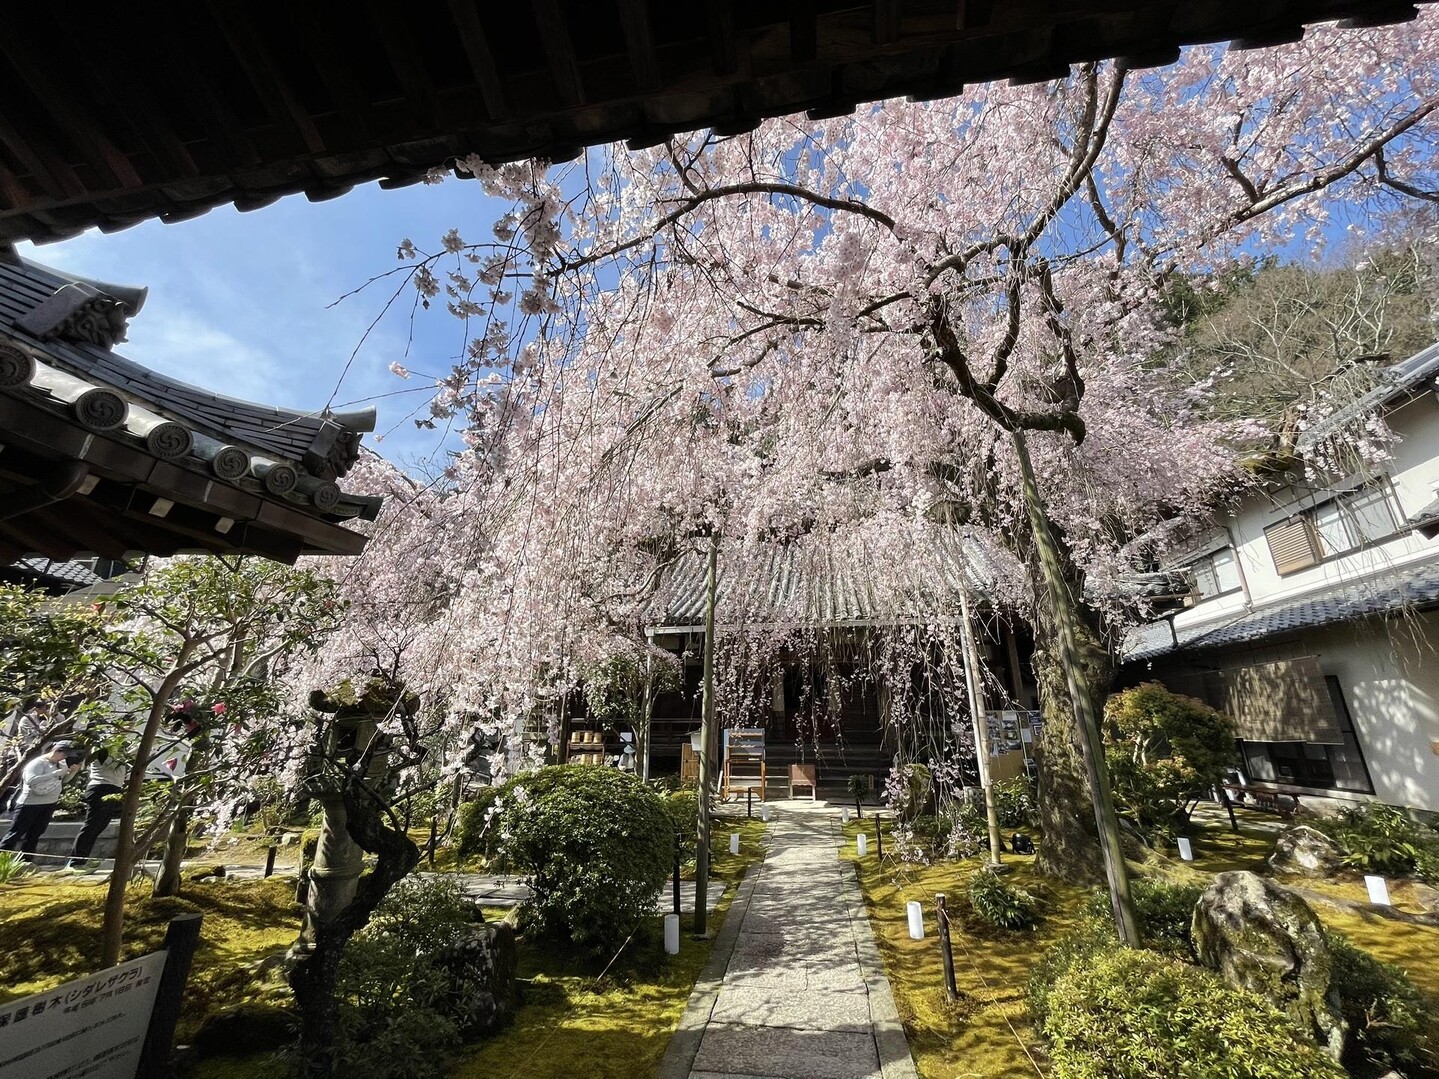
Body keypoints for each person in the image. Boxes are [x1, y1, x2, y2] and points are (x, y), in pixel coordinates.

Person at [0, 741, 80, 858]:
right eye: (64, 754)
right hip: (30, 804)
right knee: (16, 833)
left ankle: (26, 860)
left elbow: (63, 780)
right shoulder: (37, 763)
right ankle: (2, 858)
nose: (65, 757)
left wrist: (72, 772)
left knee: (35, 834)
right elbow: (31, 780)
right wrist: (55, 773)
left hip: (49, 803)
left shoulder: (60, 763)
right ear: (56, 751)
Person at [65, 747, 128, 870]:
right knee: (91, 826)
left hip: (113, 788)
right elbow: (115, 763)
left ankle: (83, 859)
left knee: (99, 826)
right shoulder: (99, 748)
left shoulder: (118, 750)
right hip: (101, 788)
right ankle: (75, 862)